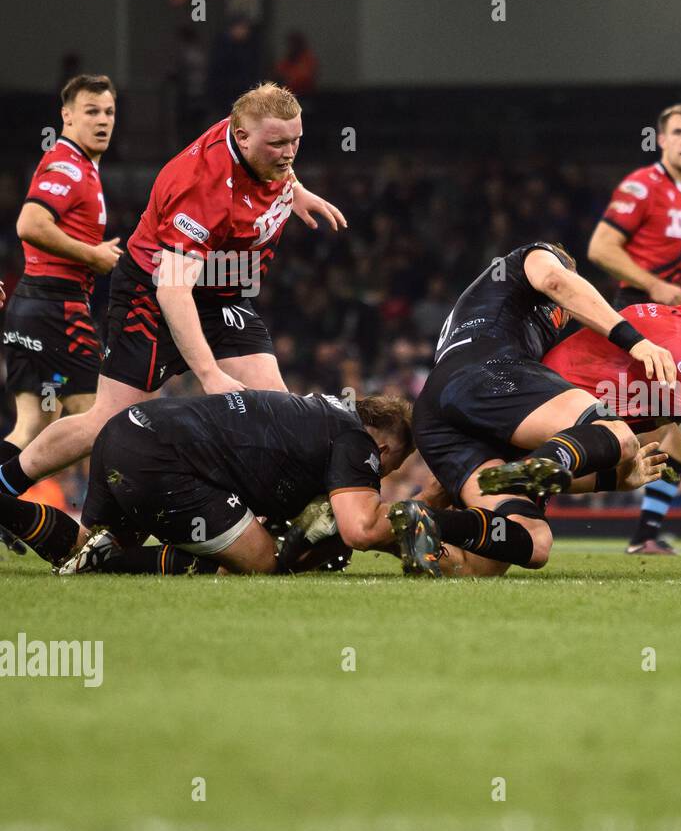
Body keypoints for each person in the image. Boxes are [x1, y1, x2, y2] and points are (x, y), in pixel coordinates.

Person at [0, 83, 347, 506]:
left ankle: (281, 517)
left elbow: (280, 156)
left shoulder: (259, 134)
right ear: (240, 137)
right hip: (154, 294)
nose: (289, 151)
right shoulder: (201, 187)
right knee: (106, 423)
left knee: (274, 407)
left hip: (224, 288)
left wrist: (295, 189)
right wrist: (209, 374)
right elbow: (173, 291)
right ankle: (6, 484)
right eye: (278, 144)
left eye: (296, 140)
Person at [396, 242, 677, 576]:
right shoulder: (535, 257)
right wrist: (636, 341)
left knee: (526, 544)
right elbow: (557, 281)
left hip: (439, 414)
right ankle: (532, 464)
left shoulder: (511, 324)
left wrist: (612, 480)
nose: (569, 312)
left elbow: (552, 468)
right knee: (619, 435)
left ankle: (426, 521)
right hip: (486, 372)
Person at [0, 391, 413, 575]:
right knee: (258, 561)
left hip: (125, 431)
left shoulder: (319, 413)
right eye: (392, 461)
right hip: (162, 457)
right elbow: (355, 527)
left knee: (83, 544)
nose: (386, 473)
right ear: (382, 443)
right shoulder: (356, 441)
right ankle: (109, 559)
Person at [587, 103, 681, 555]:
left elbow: (680, 262)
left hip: (673, 317)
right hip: (636, 313)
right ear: (661, 139)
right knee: (640, 427)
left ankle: (646, 532)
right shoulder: (642, 185)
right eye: (679, 132)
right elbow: (600, 248)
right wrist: (654, 285)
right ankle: (544, 479)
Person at [1, 74, 121, 552]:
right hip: (57, 307)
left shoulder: (81, 167)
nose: (103, 121)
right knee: (98, 423)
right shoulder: (69, 166)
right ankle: (100, 529)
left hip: (29, 305)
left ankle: (7, 501)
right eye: (91, 111)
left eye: (109, 112)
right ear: (66, 116)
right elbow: (30, 222)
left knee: (31, 424)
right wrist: (91, 256)